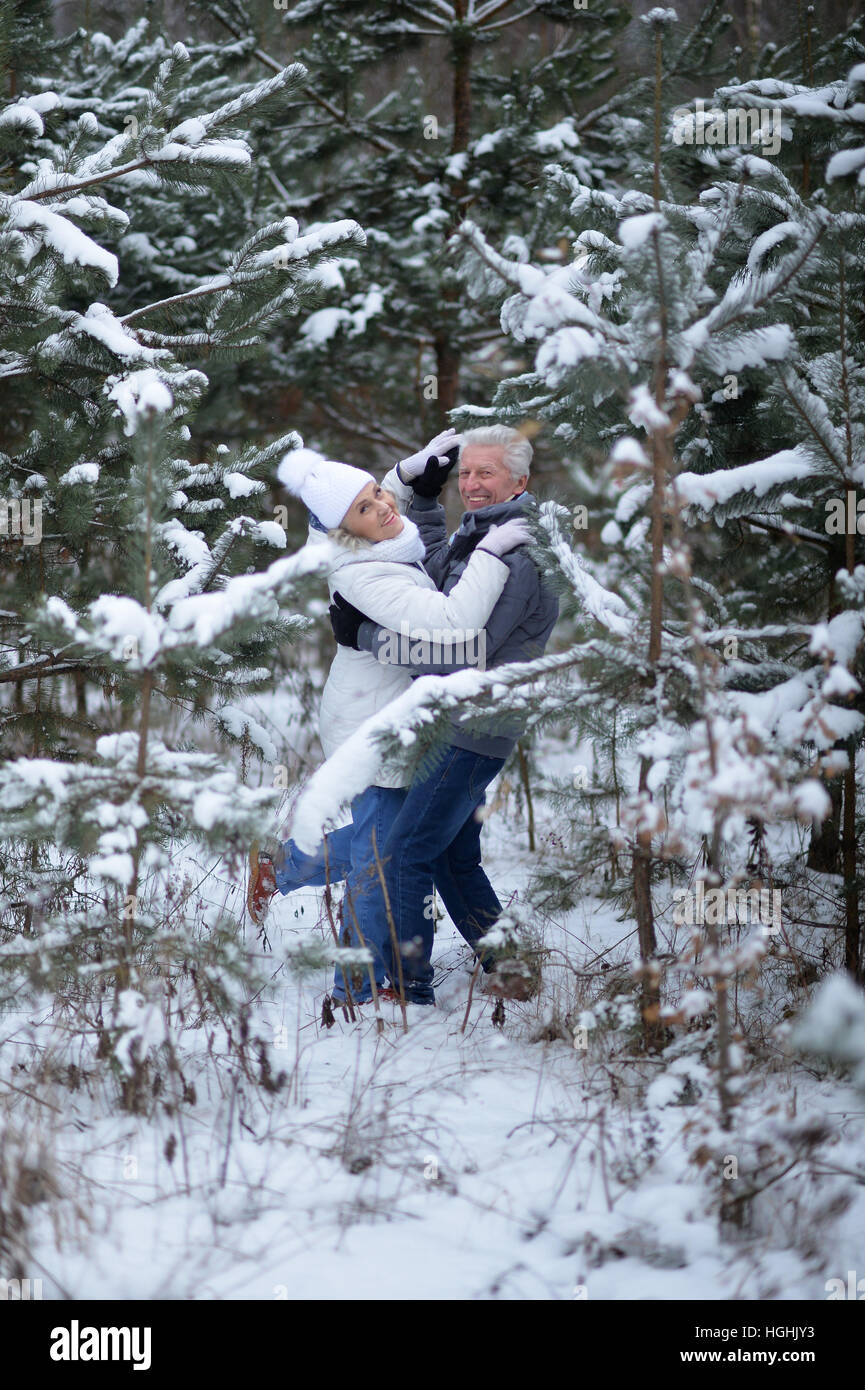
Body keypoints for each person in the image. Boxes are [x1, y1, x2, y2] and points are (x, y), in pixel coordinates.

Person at [247, 433, 530, 1006]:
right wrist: (489, 555)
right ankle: (358, 987)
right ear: (343, 531)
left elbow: (393, 532)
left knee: (391, 845)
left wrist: (405, 479)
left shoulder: (379, 539)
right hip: (372, 724)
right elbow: (454, 625)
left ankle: (283, 869)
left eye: (378, 494)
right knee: (384, 857)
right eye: (365, 509)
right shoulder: (363, 573)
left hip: (409, 715)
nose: (382, 508)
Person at [328, 425, 559, 1005]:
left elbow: (466, 648)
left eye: (487, 474)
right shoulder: (484, 532)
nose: (472, 485)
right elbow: (437, 577)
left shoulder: (518, 550)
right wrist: (426, 503)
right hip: (458, 721)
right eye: (466, 474)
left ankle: (408, 987)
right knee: (454, 856)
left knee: (408, 852)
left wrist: (370, 637)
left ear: (520, 481)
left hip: (472, 727)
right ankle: (509, 966)